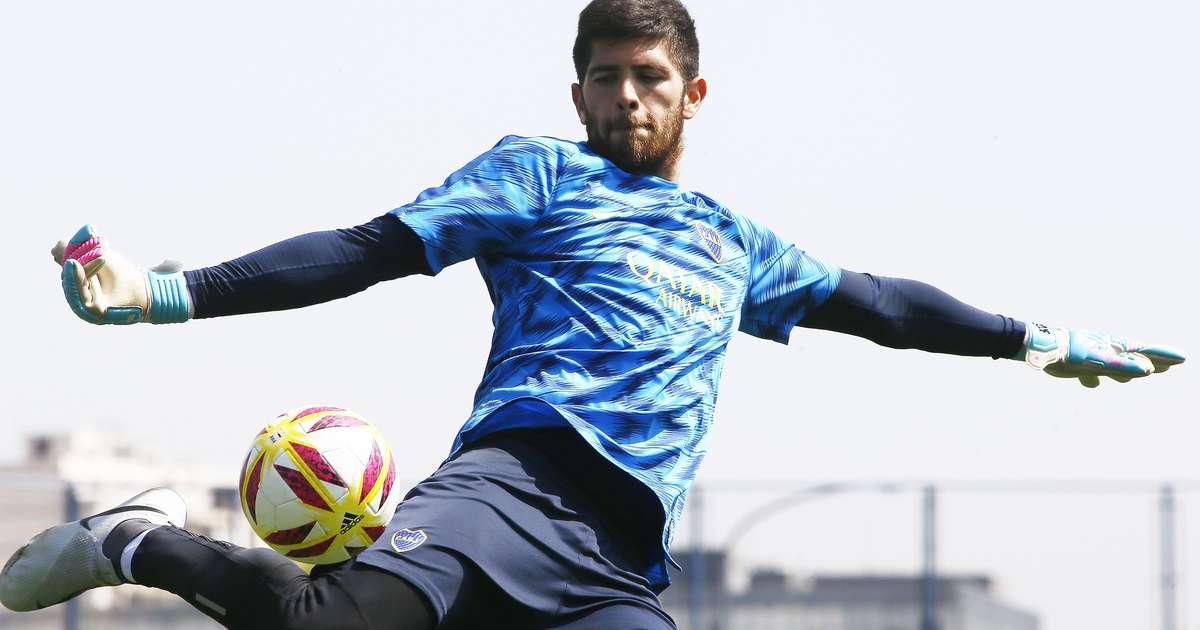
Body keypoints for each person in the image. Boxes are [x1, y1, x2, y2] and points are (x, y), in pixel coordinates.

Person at [1, 1, 1185, 628]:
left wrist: (1032, 339)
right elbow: (364, 252)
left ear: (693, 92)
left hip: (619, 562)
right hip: (516, 487)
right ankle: (134, 539)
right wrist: (161, 294)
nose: (630, 93)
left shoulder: (734, 243)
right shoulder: (537, 176)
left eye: (651, 75)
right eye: (608, 74)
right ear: (578, 90)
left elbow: (877, 303)